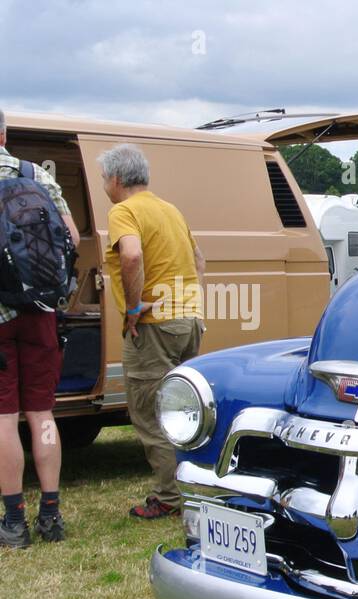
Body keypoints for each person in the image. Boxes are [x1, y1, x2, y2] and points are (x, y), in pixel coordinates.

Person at [97, 144, 205, 519]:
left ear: (114, 179)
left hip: (155, 327)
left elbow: (131, 255)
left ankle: (169, 498)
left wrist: (132, 308)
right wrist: (189, 302)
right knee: (186, 410)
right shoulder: (170, 209)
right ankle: (194, 489)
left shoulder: (124, 211)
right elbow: (198, 260)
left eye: (103, 180)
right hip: (188, 321)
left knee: (150, 412)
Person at [0, 108, 81, 548]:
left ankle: (13, 521)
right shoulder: (36, 175)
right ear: (4, 133)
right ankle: (51, 514)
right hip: (42, 311)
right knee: (42, 413)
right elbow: (71, 238)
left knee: (3, 418)